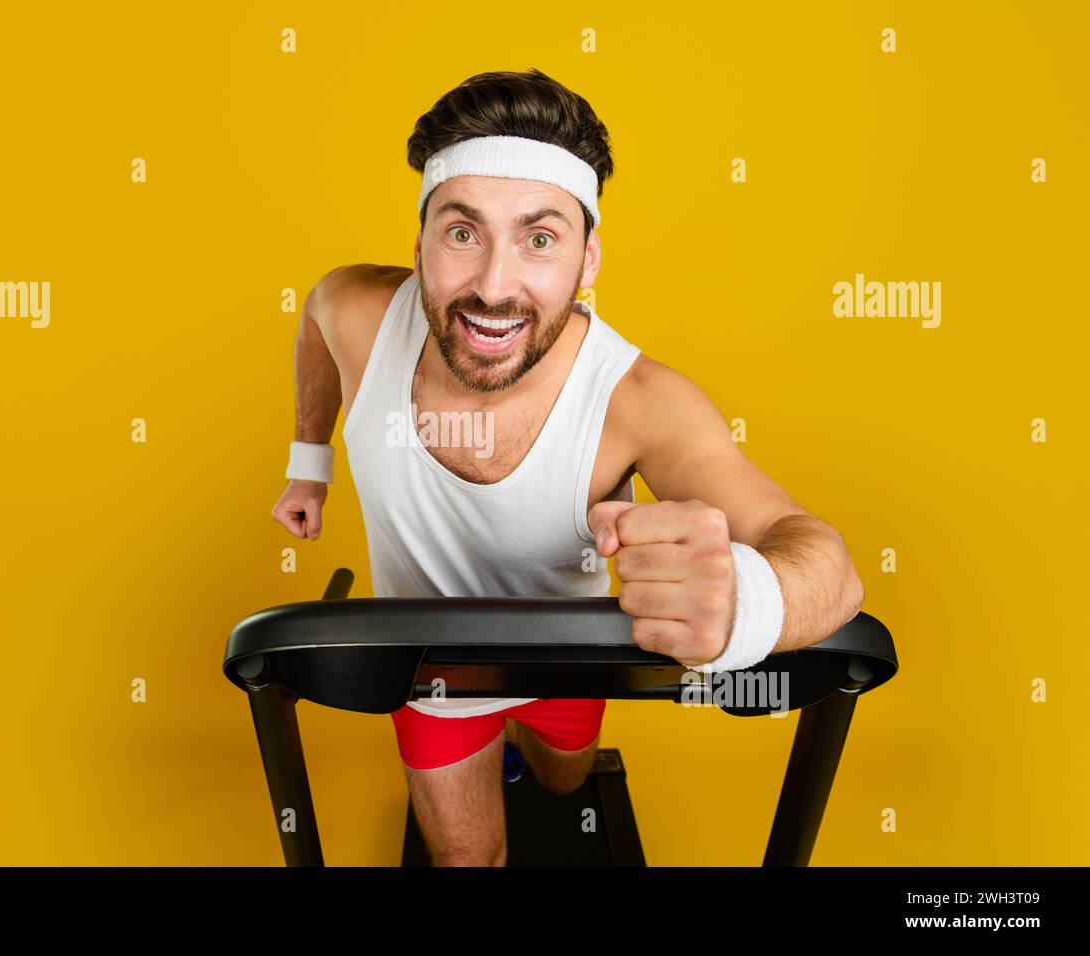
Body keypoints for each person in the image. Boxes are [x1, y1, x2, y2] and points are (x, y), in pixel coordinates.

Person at [271, 69, 865, 866]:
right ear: (420, 245)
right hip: (427, 675)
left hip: (566, 670)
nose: (492, 287)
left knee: (562, 782)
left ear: (588, 262)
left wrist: (747, 603)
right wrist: (309, 462)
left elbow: (823, 560)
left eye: (539, 239)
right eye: (462, 232)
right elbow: (314, 317)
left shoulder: (639, 402)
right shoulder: (358, 309)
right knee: (466, 860)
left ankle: (537, 758)